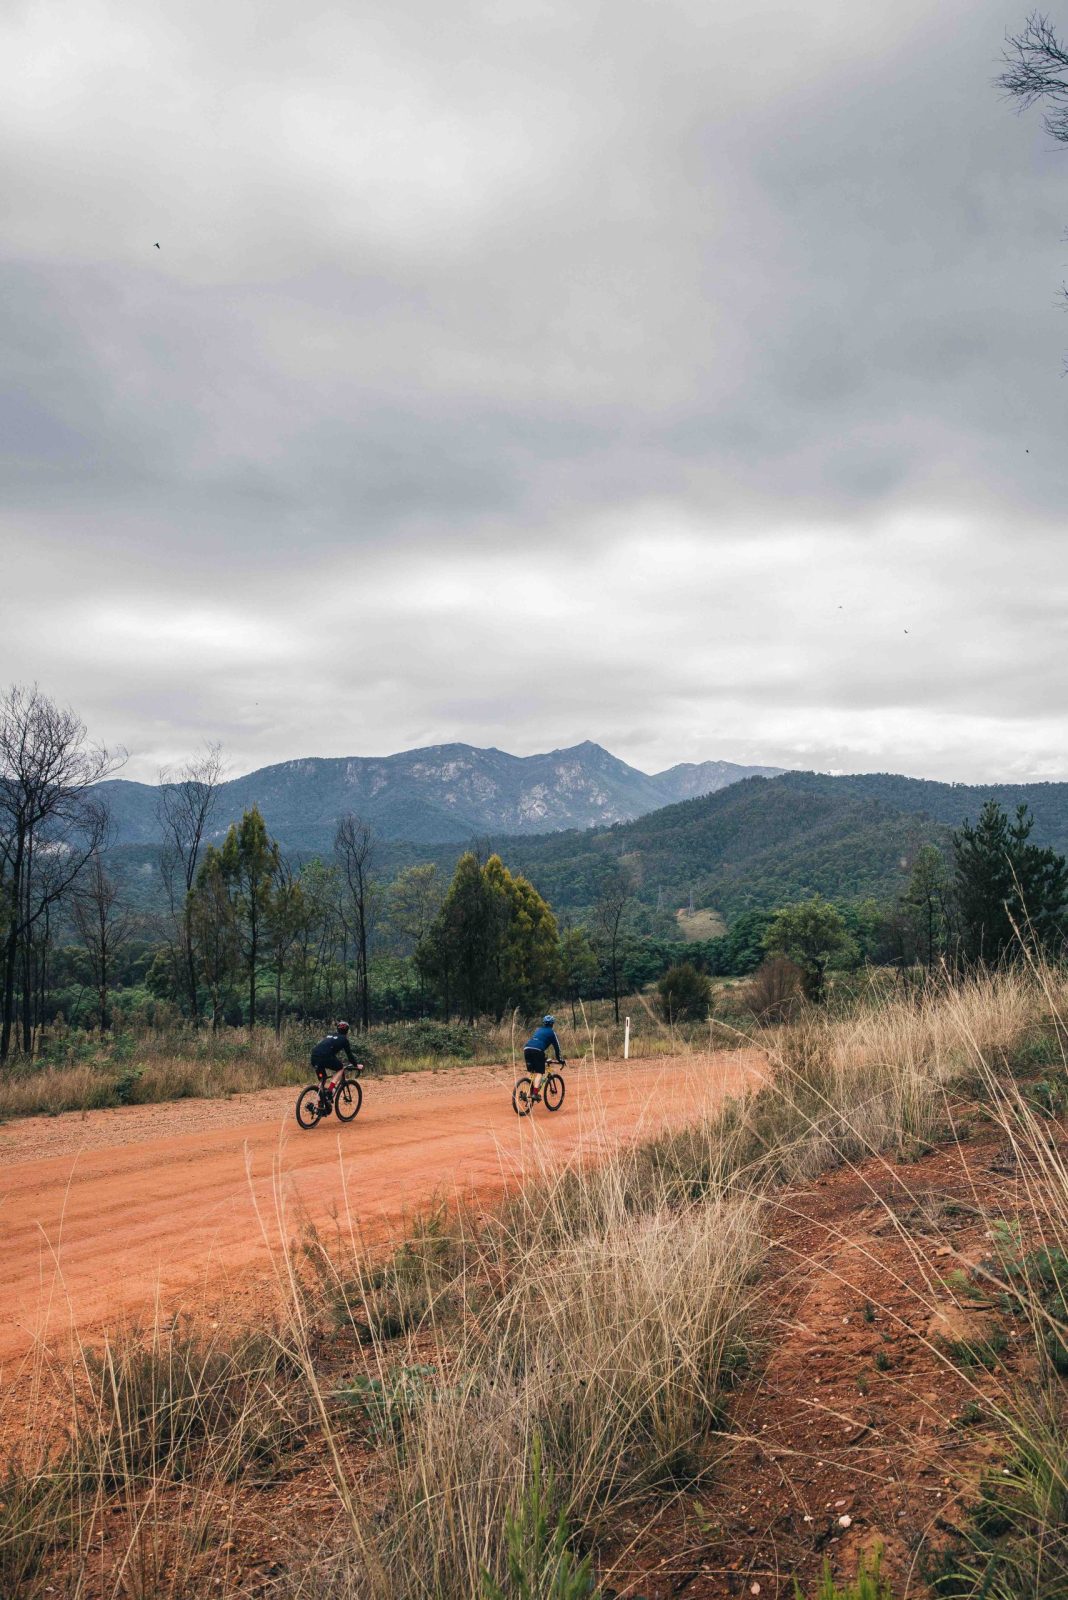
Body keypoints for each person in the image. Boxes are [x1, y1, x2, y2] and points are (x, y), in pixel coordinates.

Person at [310, 1020, 361, 1103]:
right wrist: (356, 1065)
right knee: (341, 1068)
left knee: (322, 1079)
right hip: (325, 1057)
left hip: (314, 1057)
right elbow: (350, 1056)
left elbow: (326, 1048)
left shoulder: (330, 1035)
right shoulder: (344, 1039)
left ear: (337, 1029)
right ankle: (330, 1090)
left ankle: (320, 1103)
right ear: (347, 1031)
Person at [523, 1014, 564, 1102]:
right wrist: (560, 1059)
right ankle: (534, 1093)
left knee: (531, 1071)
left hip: (527, 1049)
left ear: (544, 1023)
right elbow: (557, 1048)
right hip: (538, 1051)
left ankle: (525, 1091)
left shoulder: (538, 1030)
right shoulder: (552, 1033)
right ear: (552, 1024)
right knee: (539, 1072)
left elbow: (537, 1041)